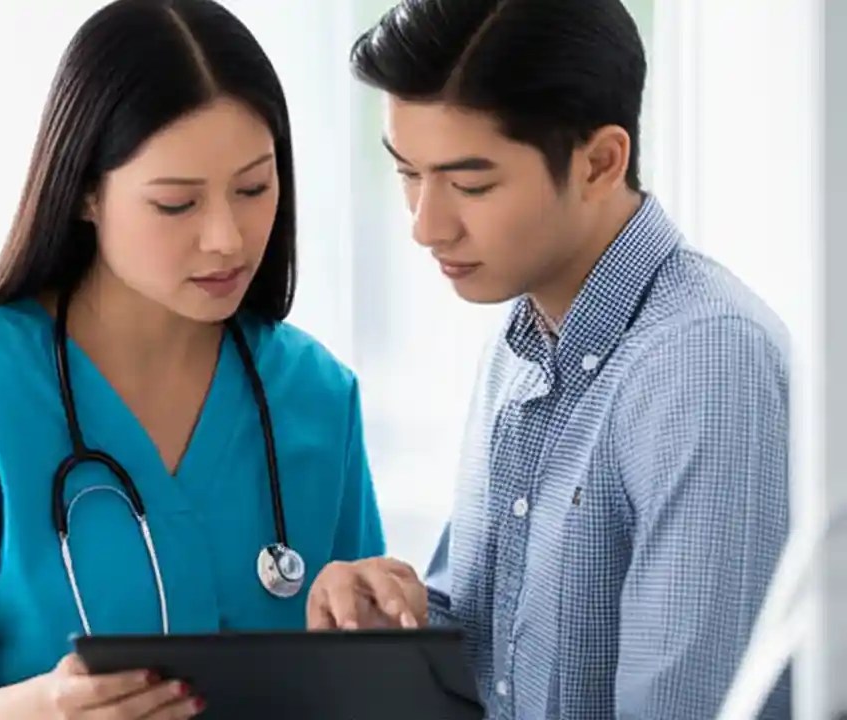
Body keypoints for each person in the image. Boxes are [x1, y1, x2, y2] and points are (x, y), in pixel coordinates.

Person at [0, 0, 386, 717]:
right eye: (176, 204)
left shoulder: (314, 396)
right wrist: (50, 706)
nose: (227, 239)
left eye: (253, 189)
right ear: (86, 191)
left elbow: (355, 671)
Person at [306, 0, 792, 718]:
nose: (425, 225)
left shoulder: (705, 364)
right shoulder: (523, 335)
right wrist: (393, 630)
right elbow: (497, 654)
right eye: (409, 173)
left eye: (470, 185)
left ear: (600, 162)